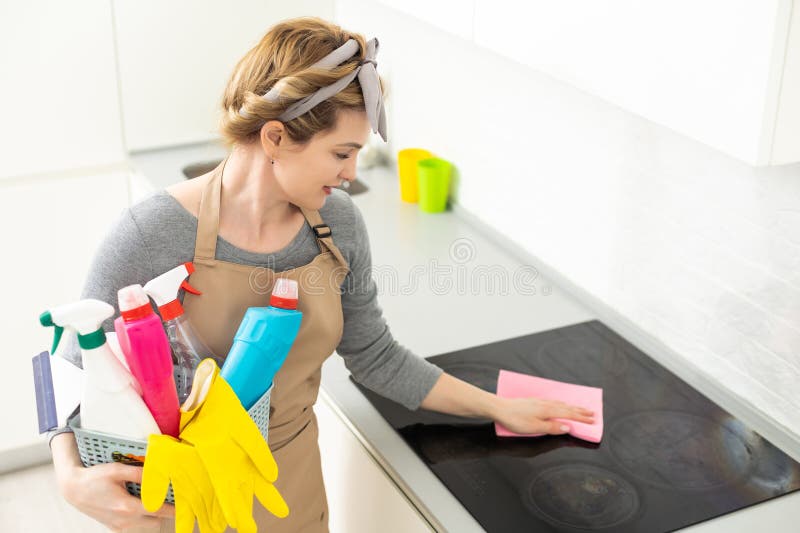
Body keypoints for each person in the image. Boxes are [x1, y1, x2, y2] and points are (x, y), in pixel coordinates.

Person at [48, 16, 594, 533]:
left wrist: (499, 407)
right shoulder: (152, 231)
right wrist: (71, 479)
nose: (352, 173)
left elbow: (375, 355)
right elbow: (67, 366)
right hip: (179, 503)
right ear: (276, 138)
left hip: (290, 493)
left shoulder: (337, 225)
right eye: (342, 152)